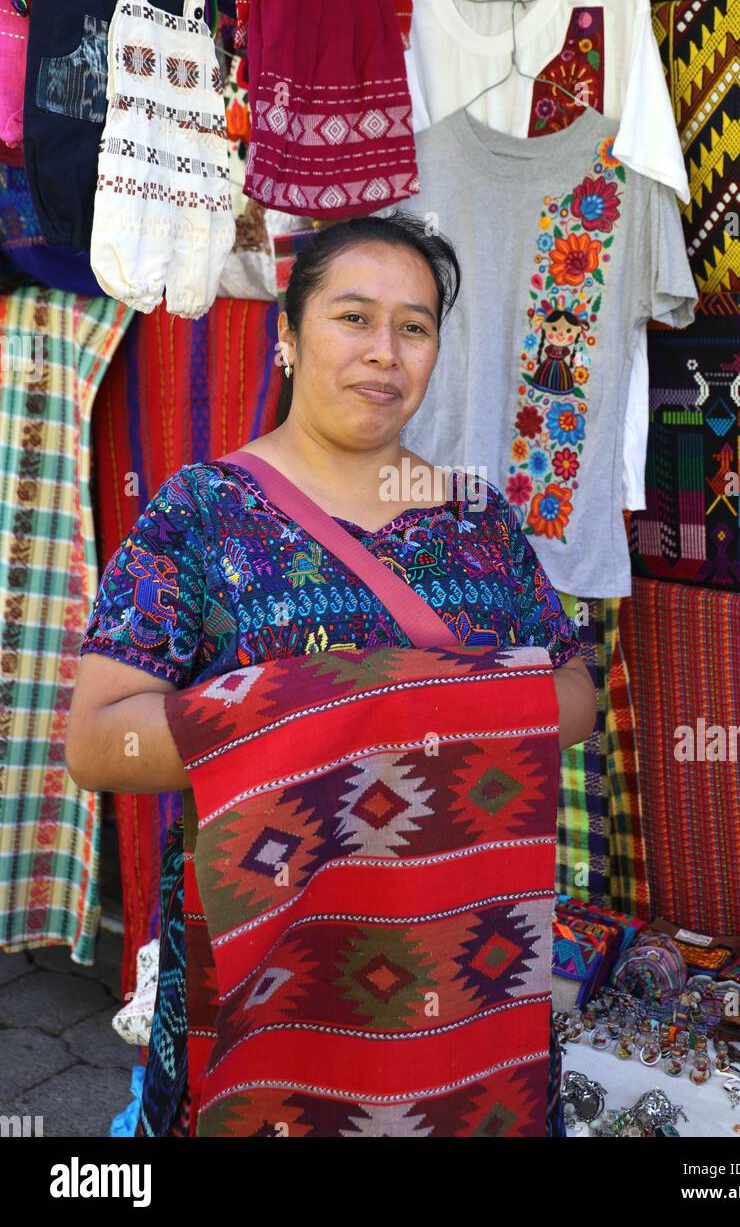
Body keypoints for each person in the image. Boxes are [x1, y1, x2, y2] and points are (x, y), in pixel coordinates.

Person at [66, 209, 598, 1136]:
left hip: (462, 972)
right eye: (353, 317)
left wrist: (388, 703)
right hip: (269, 965)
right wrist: (329, 705)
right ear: (288, 336)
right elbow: (99, 740)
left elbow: (575, 696)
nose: (383, 352)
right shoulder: (203, 514)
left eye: (415, 326)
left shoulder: (479, 521)